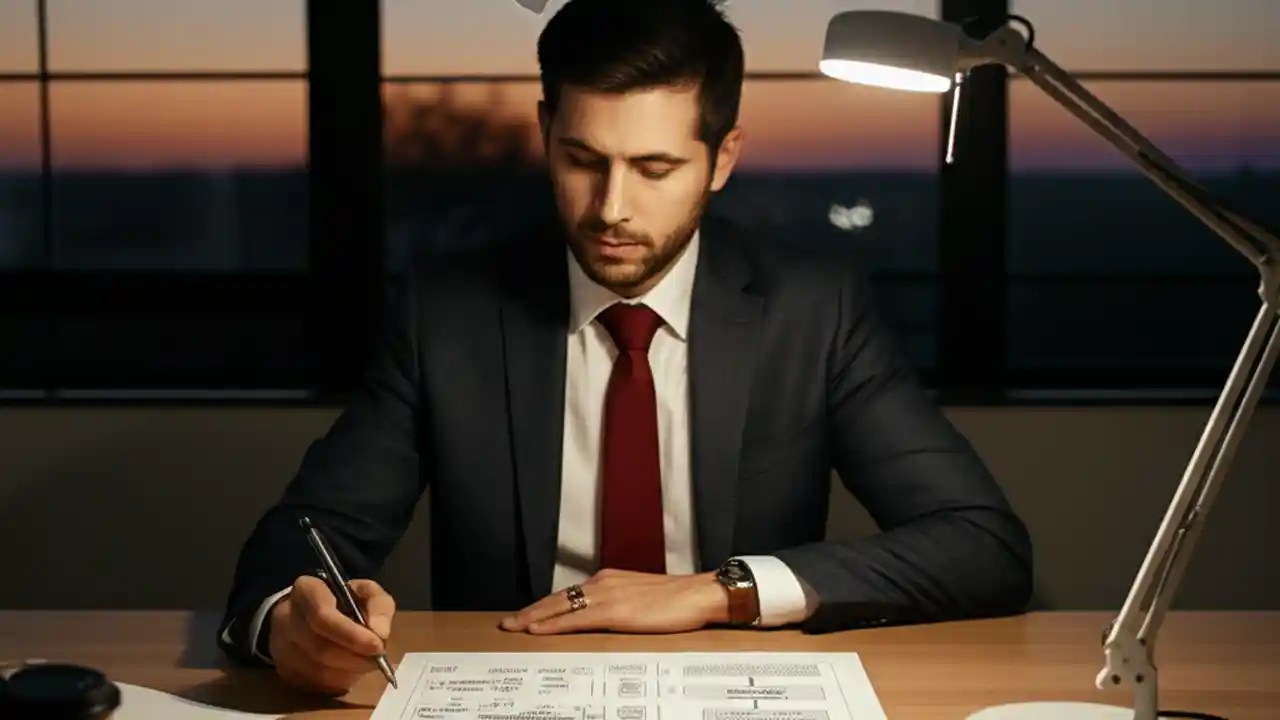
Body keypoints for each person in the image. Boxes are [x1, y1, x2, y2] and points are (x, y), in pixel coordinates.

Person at [218, 0, 1033, 696]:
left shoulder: (813, 310)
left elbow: (981, 544)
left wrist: (723, 593)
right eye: (582, 160)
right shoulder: (451, 311)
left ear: (723, 161)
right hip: (513, 688)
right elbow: (306, 533)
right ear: (544, 134)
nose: (611, 208)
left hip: (737, 690)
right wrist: (290, 620)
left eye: (654, 167)